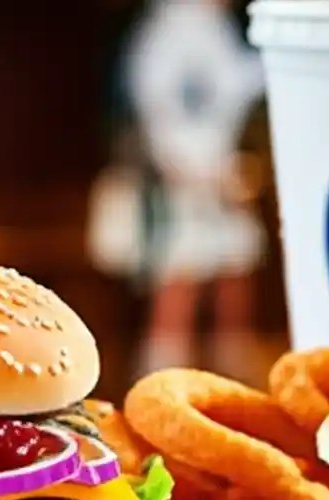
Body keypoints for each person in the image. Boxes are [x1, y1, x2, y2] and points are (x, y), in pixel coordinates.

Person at [91, 0, 266, 383]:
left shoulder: (214, 24)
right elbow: (154, 105)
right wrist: (189, 168)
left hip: (222, 173)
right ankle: (160, 383)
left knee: (235, 272)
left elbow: (242, 82)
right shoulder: (168, 25)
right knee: (179, 283)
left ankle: (237, 384)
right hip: (176, 178)